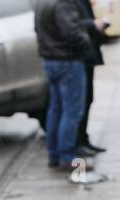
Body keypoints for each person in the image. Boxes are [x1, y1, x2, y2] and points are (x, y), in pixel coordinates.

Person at [33, 0, 96, 172]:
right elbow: (72, 32)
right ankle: (66, 156)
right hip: (67, 61)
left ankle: (54, 154)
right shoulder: (63, 3)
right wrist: (86, 43)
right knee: (72, 111)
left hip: (51, 60)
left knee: (56, 109)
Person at [75, 0, 108, 157]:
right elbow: (75, 25)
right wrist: (94, 24)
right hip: (80, 56)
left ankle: (83, 139)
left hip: (87, 55)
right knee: (81, 101)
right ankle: (78, 142)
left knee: (88, 99)